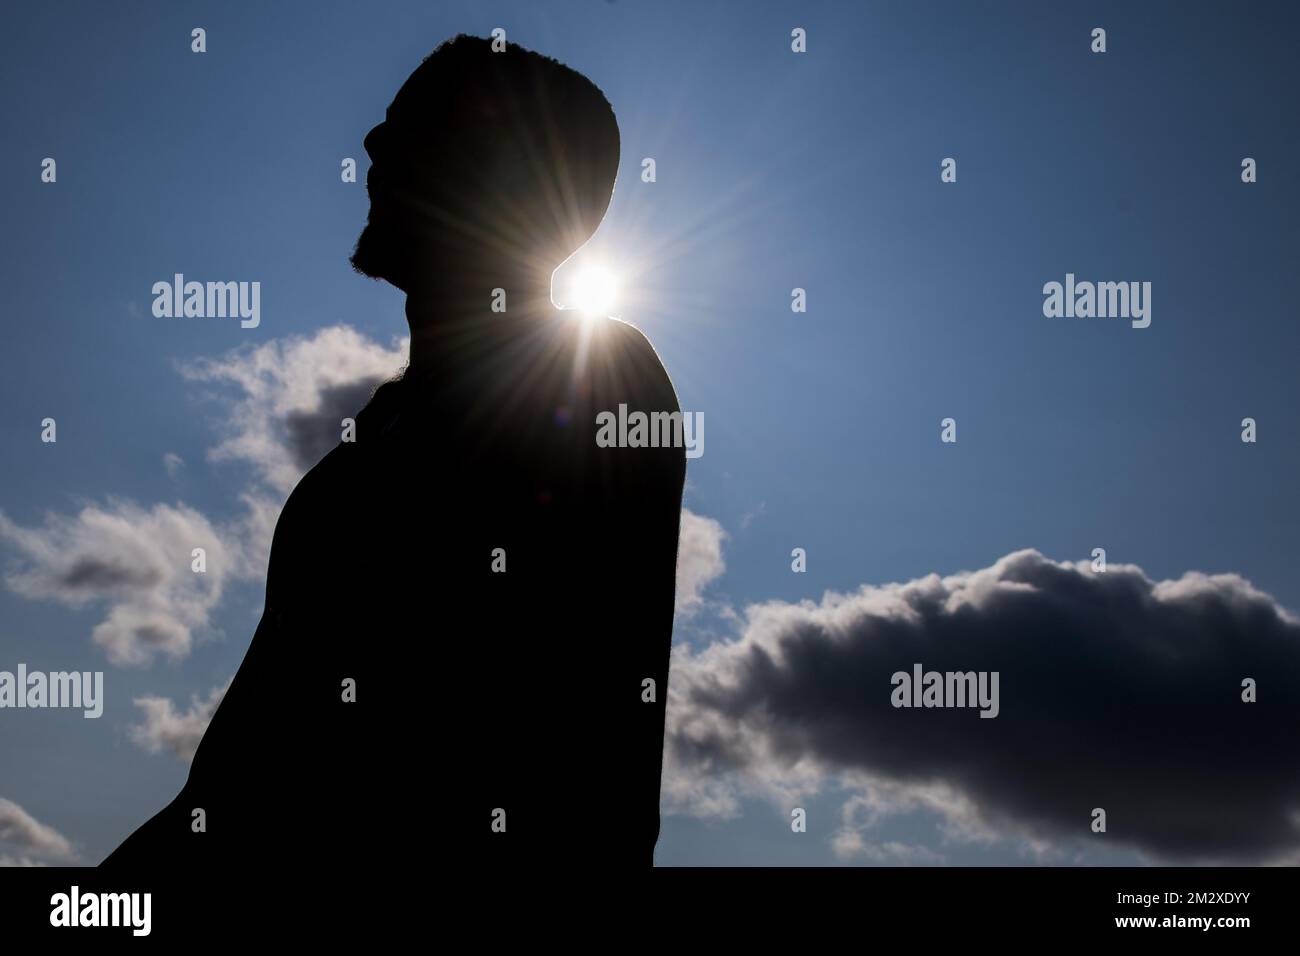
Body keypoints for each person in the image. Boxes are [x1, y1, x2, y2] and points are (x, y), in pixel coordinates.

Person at [103, 34, 685, 873]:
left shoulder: (602, 375)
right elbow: (244, 770)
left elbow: (529, 725)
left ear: (510, 180)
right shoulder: (356, 459)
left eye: (417, 127)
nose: (374, 145)